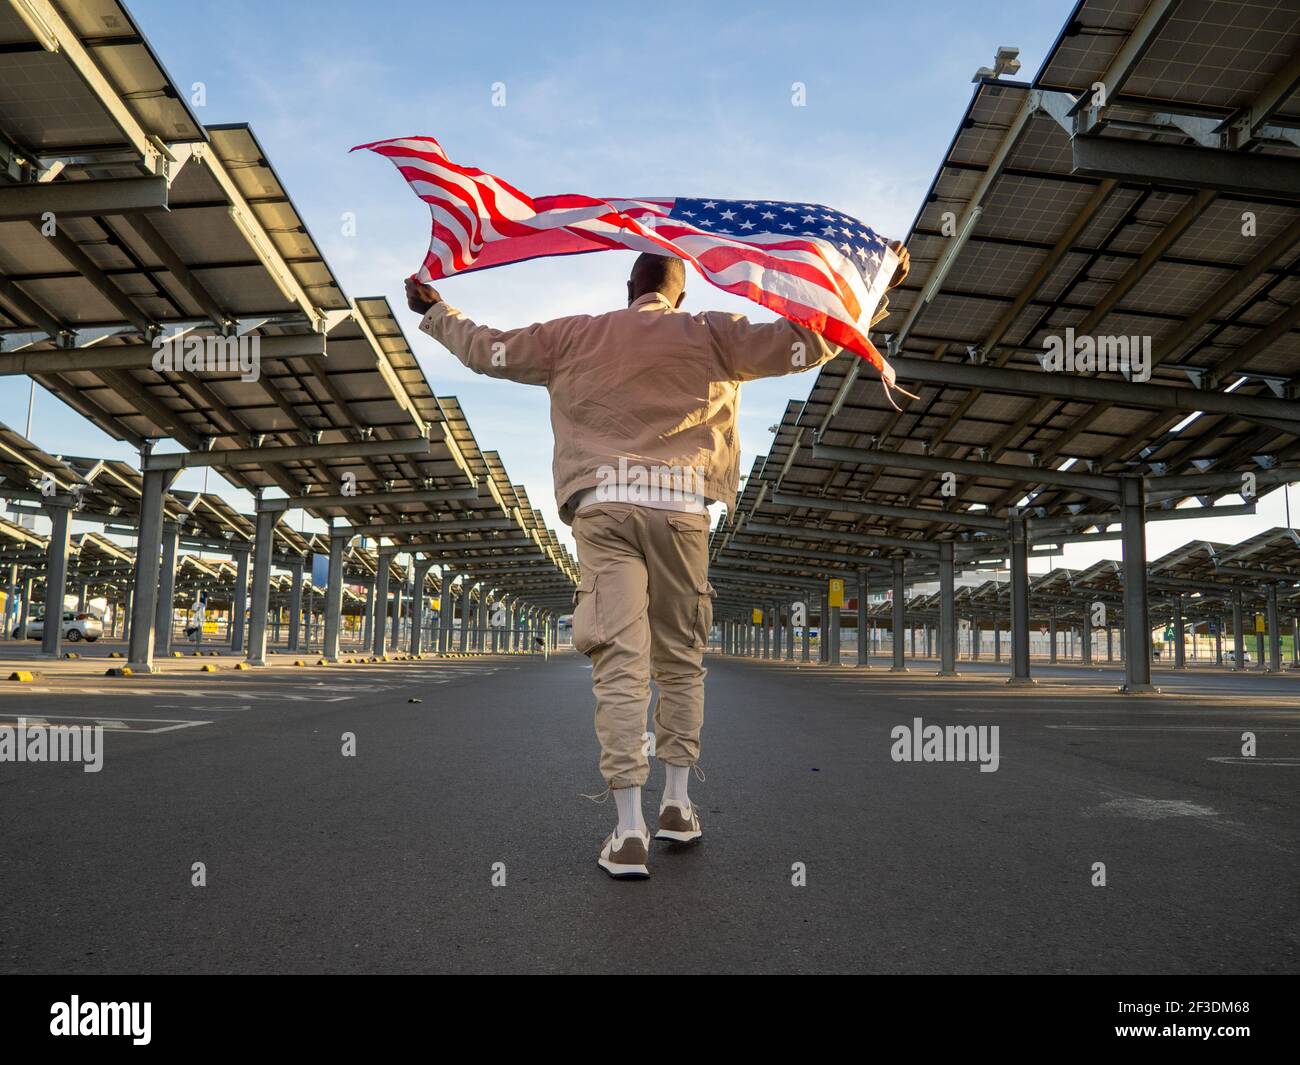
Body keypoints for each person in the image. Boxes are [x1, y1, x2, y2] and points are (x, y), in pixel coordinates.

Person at [406, 244, 908, 879]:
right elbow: (810, 343)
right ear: (682, 294)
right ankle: (677, 803)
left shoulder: (573, 335)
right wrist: (876, 283)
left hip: (604, 507)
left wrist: (436, 310)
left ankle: (627, 830)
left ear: (627, 288)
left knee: (620, 666)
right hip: (681, 508)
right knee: (681, 662)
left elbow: (489, 351)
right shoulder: (715, 333)